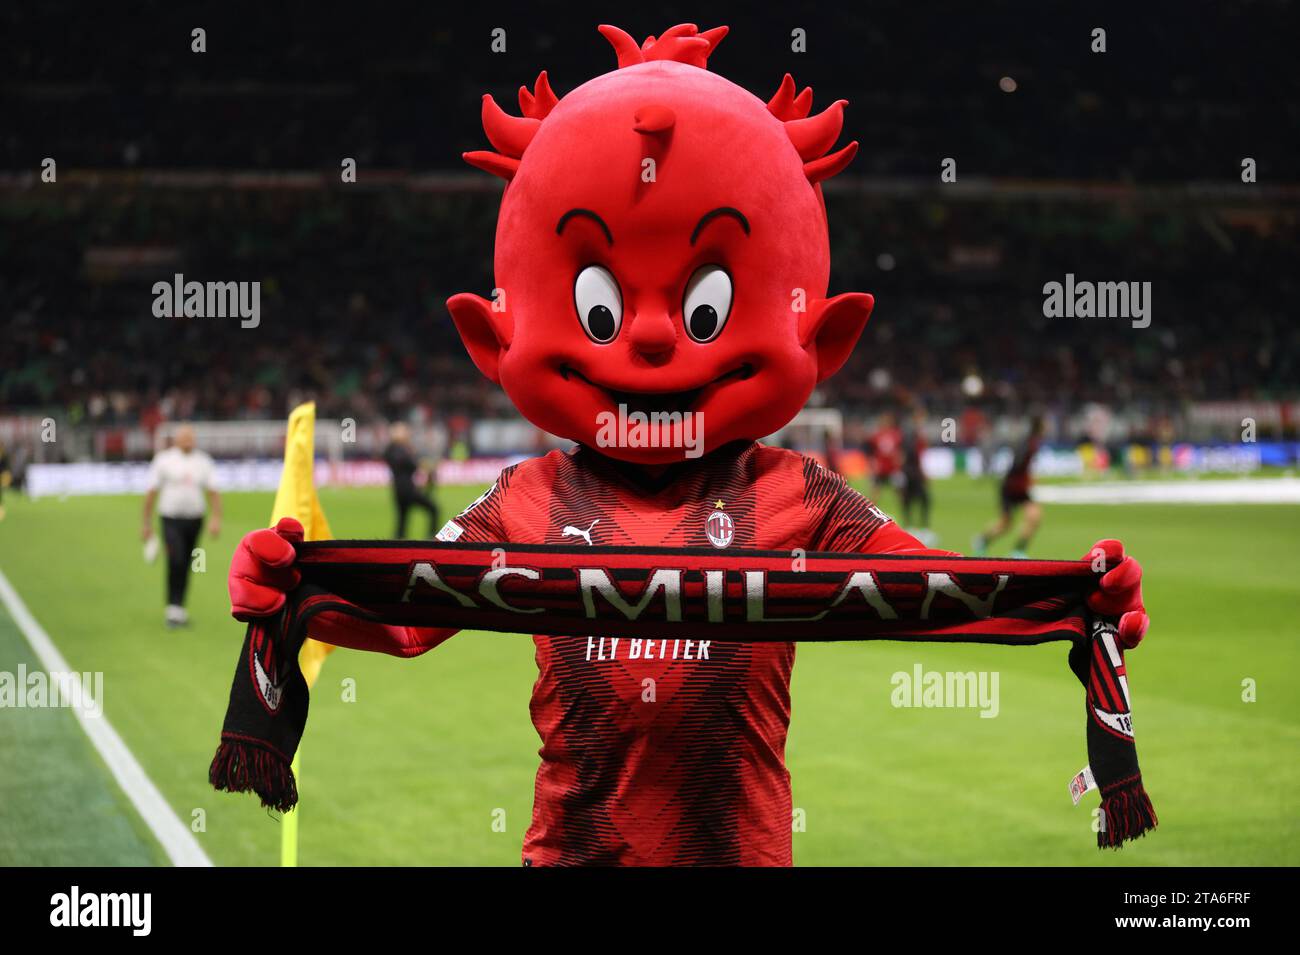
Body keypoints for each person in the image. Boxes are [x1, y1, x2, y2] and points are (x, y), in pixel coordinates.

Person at [229, 23, 1148, 866]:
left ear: (824, 336)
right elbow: (405, 614)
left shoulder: (804, 494)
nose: (656, 339)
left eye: (704, 303)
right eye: (603, 305)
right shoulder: (528, 496)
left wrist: (1077, 597)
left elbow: (943, 592)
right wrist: (299, 586)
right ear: (492, 333)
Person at [142, 424, 220, 627]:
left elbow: (212, 491)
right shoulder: (164, 460)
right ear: (176, 439)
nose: (187, 440)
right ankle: (172, 607)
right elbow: (151, 491)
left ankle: (179, 608)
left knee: (189, 562)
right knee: (175, 558)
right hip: (171, 518)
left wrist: (215, 518)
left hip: (195, 519)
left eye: (190, 437)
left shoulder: (203, 461)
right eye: (184, 437)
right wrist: (146, 523)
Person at [974, 416, 1045, 558]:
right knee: (1006, 524)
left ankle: (1018, 551)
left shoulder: (1030, 442)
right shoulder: (1028, 443)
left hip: (1020, 487)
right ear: (1040, 426)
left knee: (1034, 516)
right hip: (1010, 487)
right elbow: (1017, 464)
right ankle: (982, 540)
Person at [383, 422, 439, 538]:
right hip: (407, 489)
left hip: (398, 489)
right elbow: (412, 464)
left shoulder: (391, 450)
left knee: (402, 520)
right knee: (433, 509)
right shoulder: (400, 450)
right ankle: (431, 537)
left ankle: (398, 543)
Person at [899, 407, 934, 545]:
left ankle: (912, 528)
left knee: (912, 500)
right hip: (912, 472)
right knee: (922, 499)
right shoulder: (912, 433)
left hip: (910, 471)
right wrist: (922, 473)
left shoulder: (915, 432)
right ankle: (919, 530)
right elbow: (911, 454)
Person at [867, 410, 903, 505]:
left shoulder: (895, 434)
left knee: (899, 490)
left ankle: (904, 508)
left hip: (892, 468)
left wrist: (899, 460)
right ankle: (872, 509)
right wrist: (873, 463)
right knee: (875, 490)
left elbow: (899, 450)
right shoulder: (876, 435)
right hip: (880, 468)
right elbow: (871, 451)